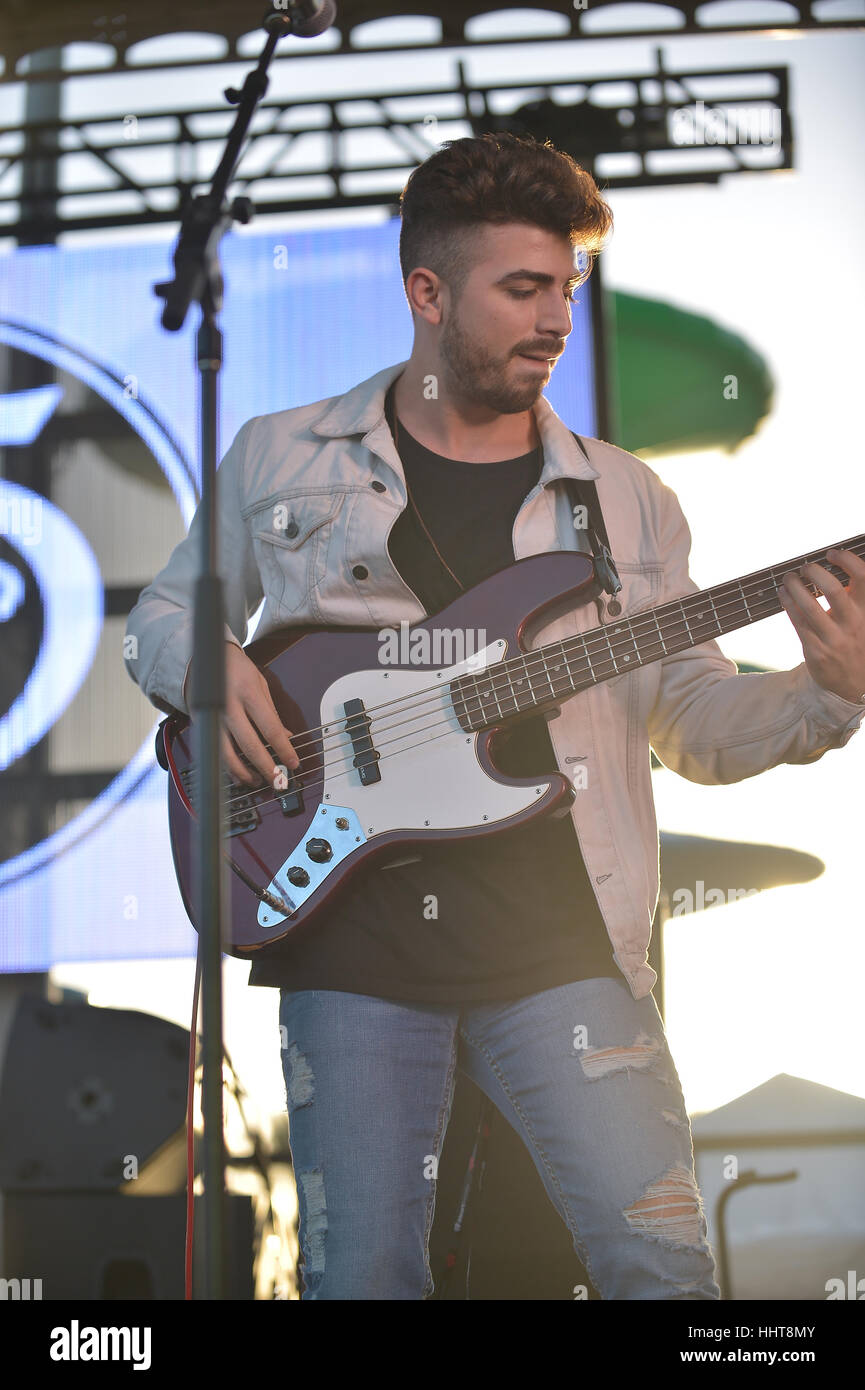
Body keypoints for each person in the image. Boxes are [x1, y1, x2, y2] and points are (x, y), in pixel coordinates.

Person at [124, 133, 865, 1301]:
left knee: (660, 1270)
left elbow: (696, 726)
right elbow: (159, 617)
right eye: (523, 287)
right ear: (426, 292)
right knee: (361, 1278)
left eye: (566, 287)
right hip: (349, 939)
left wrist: (832, 689)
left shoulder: (626, 497)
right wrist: (207, 662)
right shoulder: (282, 454)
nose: (556, 317)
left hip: (566, 946)